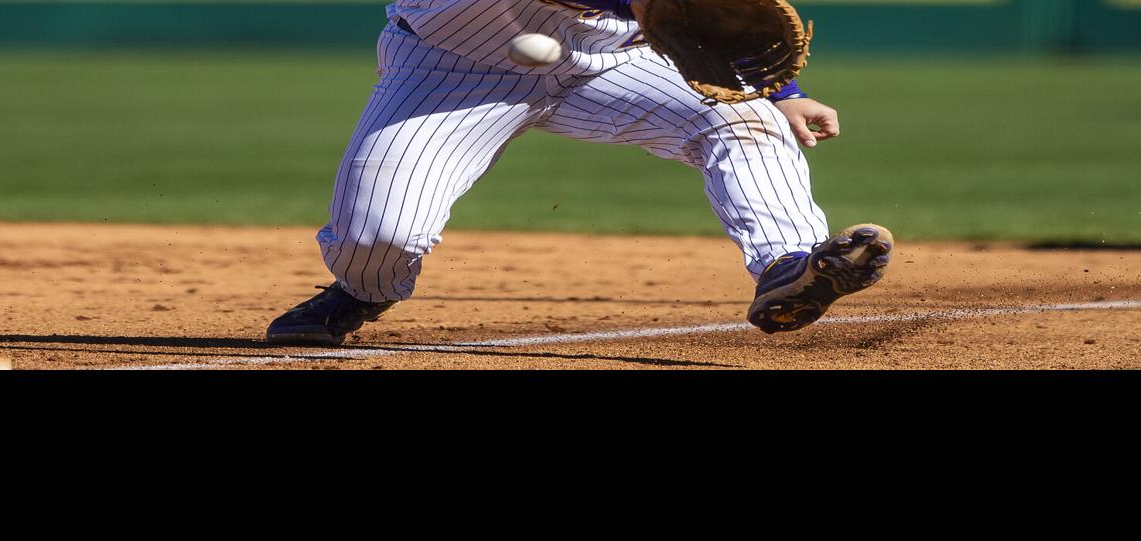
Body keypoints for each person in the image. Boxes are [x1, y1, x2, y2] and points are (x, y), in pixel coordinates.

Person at [265, 0, 894, 346]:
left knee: (746, 119)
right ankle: (363, 293)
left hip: (611, 60)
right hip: (450, 69)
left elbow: (712, 13)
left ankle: (789, 266)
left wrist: (781, 90)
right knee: (377, 240)